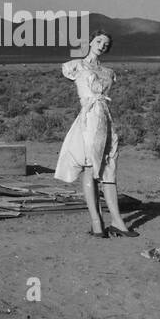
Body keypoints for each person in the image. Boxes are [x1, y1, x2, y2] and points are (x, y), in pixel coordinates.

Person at [54, 32, 137, 238]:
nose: (102, 46)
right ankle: (96, 222)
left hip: (106, 119)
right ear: (90, 42)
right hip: (89, 118)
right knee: (91, 166)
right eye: (99, 41)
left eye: (106, 44)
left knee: (109, 166)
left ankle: (118, 222)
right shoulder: (76, 66)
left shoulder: (108, 71)